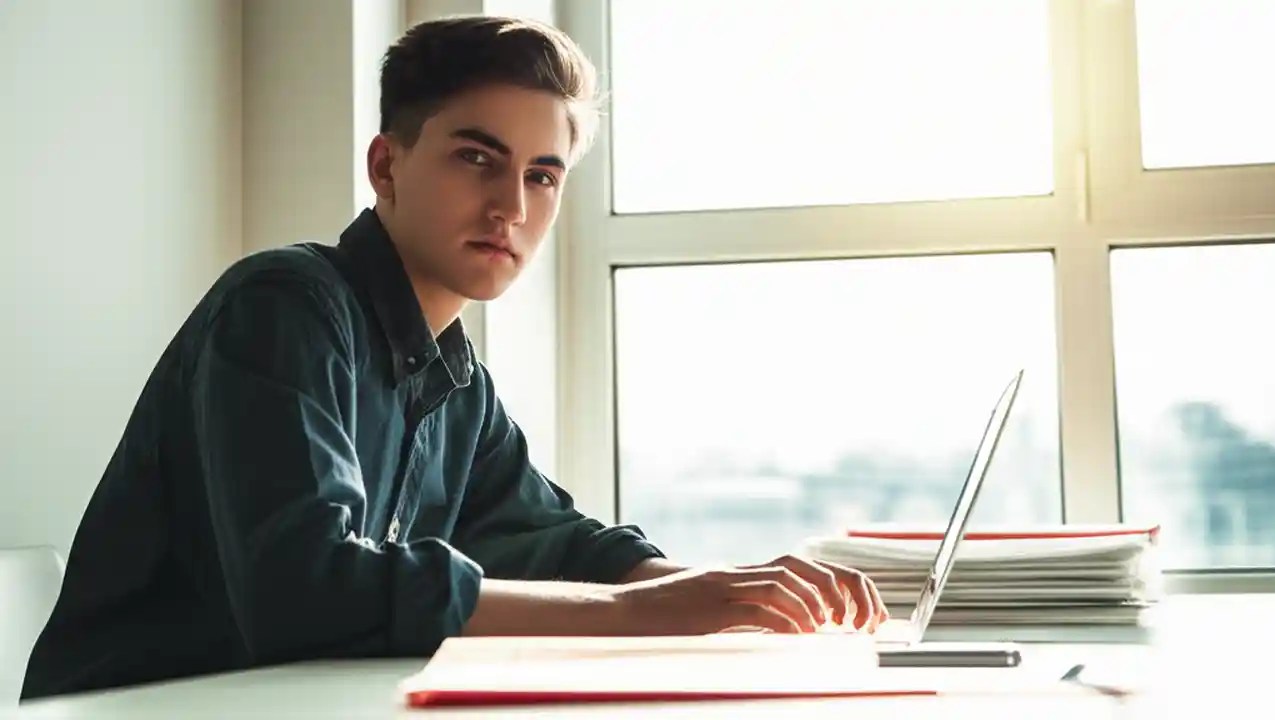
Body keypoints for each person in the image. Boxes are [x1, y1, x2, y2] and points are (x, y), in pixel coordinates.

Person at [21, 15, 887, 701]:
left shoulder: (453, 377)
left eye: (543, 176)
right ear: (386, 167)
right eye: (478, 158)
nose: (511, 204)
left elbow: (551, 539)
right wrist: (639, 610)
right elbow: (308, 589)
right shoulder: (283, 305)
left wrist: (729, 592)